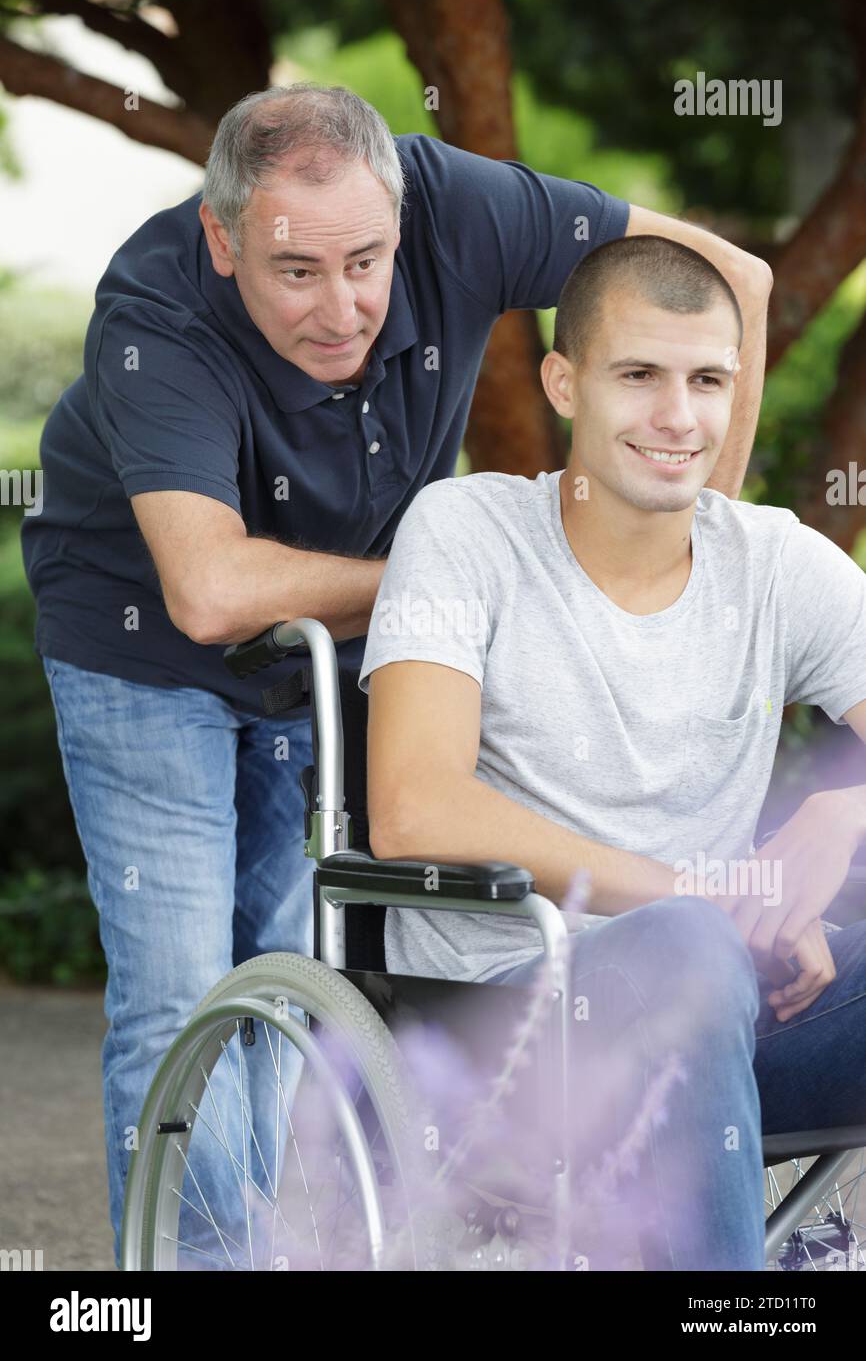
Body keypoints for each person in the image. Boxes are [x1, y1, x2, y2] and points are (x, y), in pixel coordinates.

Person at [21, 82, 772, 1268]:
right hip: (141, 643)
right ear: (222, 241)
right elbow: (208, 592)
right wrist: (468, 578)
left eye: (367, 261)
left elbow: (732, 277)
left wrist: (684, 553)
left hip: (321, 640)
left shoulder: (460, 205)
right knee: (179, 986)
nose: (343, 307)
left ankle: (262, 1251)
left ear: (403, 215)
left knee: (285, 972)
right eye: (296, 271)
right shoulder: (153, 309)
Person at [358, 234, 866, 1270]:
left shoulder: (772, 561)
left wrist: (843, 807)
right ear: (562, 381)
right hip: (507, 1031)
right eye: (637, 375)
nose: (676, 417)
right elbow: (414, 805)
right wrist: (719, 903)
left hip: (735, 1016)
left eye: (706, 380)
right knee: (685, 946)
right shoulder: (466, 533)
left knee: (704, 951)